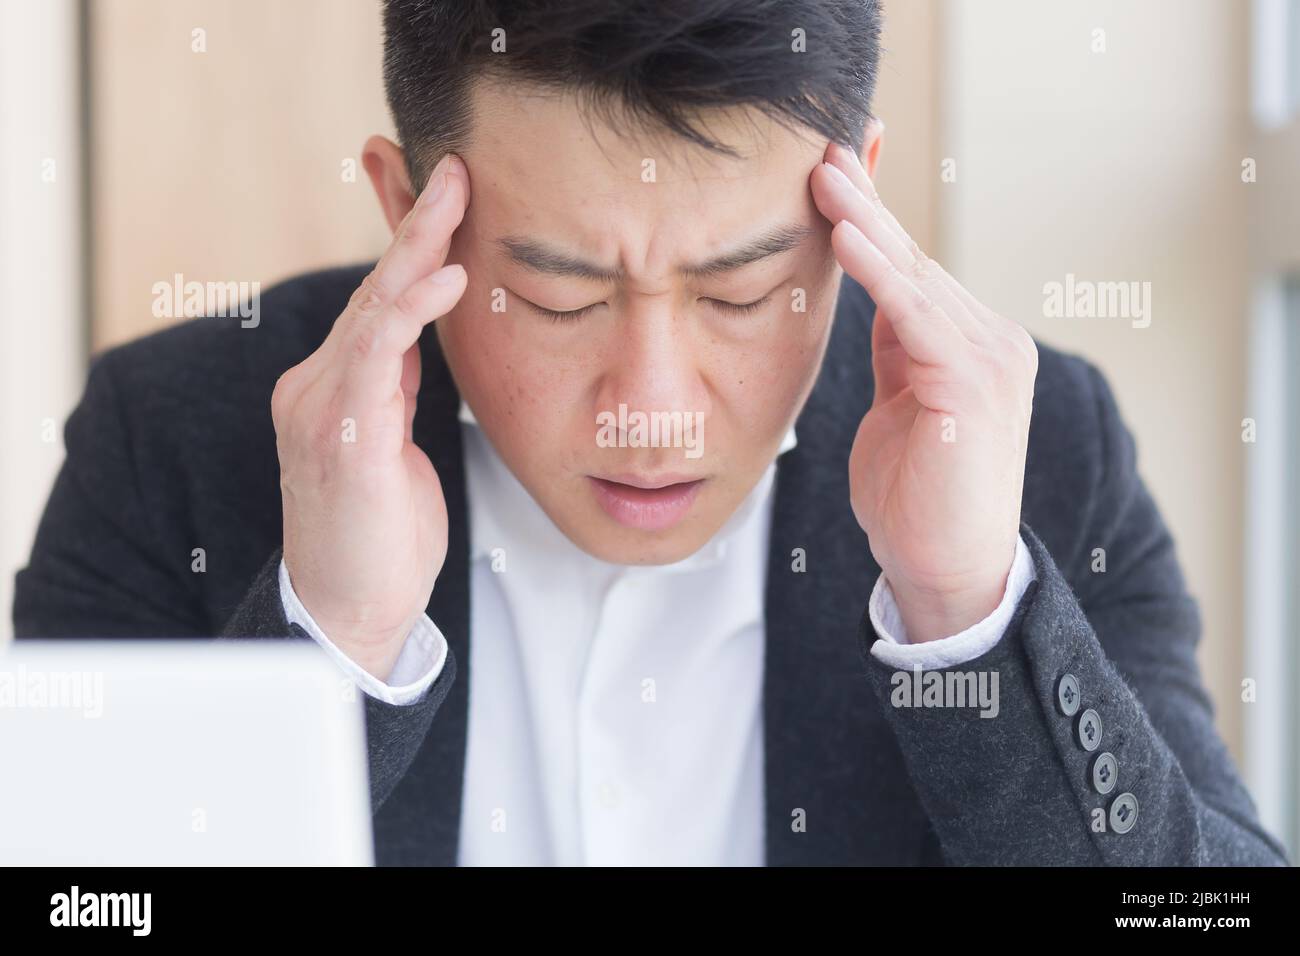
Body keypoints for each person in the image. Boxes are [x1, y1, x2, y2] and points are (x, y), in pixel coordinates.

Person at [13, 0, 1287, 866]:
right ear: (410, 209)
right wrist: (325, 652)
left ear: (855, 202)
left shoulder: (1034, 445)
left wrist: (965, 608)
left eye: (740, 290)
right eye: (561, 294)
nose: (652, 404)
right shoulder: (169, 439)